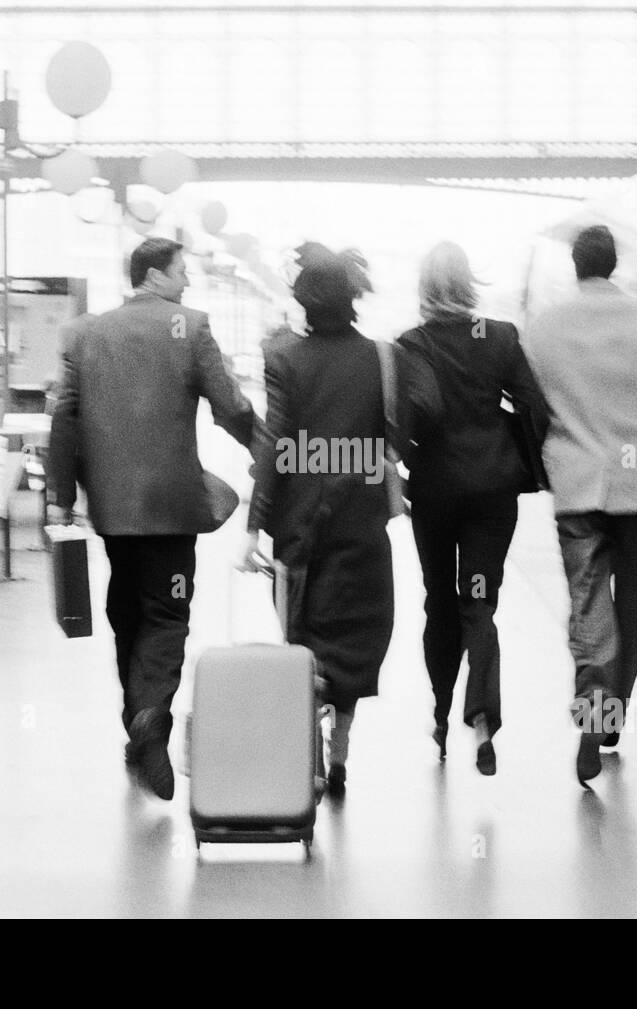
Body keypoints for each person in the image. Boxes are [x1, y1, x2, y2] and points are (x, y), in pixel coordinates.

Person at [47, 237, 257, 801]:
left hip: (113, 511)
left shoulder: (87, 333)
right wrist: (267, 449)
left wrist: (60, 496)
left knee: (128, 611)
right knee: (167, 613)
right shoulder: (190, 327)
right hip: (171, 506)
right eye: (182, 271)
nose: (187, 281)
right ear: (156, 274)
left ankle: (137, 725)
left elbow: (64, 416)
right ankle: (150, 717)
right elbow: (231, 406)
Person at [522, 225, 637, 786]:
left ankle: (594, 715)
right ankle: (612, 717)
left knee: (588, 605)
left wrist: (540, 461)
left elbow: (528, 405)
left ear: (574, 266)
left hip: (576, 485)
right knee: (632, 603)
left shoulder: (544, 325)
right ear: (614, 264)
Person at [241, 243, 413, 798]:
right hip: (361, 526)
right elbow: (399, 439)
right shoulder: (384, 359)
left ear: (304, 304)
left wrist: (252, 526)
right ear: (353, 300)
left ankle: (310, 745)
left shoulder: (284, 359)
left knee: (303, 636)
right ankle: (339, 756)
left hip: (298, 530)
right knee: (356, 641)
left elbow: (275, 444)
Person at [396, 241, 548, 776]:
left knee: (439, 600)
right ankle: (482, 718)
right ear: (469, 283)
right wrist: (509, 446)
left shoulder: (410, 345)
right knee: (478, 601)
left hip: (435, 492)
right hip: (491, 492)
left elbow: (403, 419)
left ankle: (440, 713)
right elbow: (535, 405)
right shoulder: (499, 336)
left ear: (424, 288)